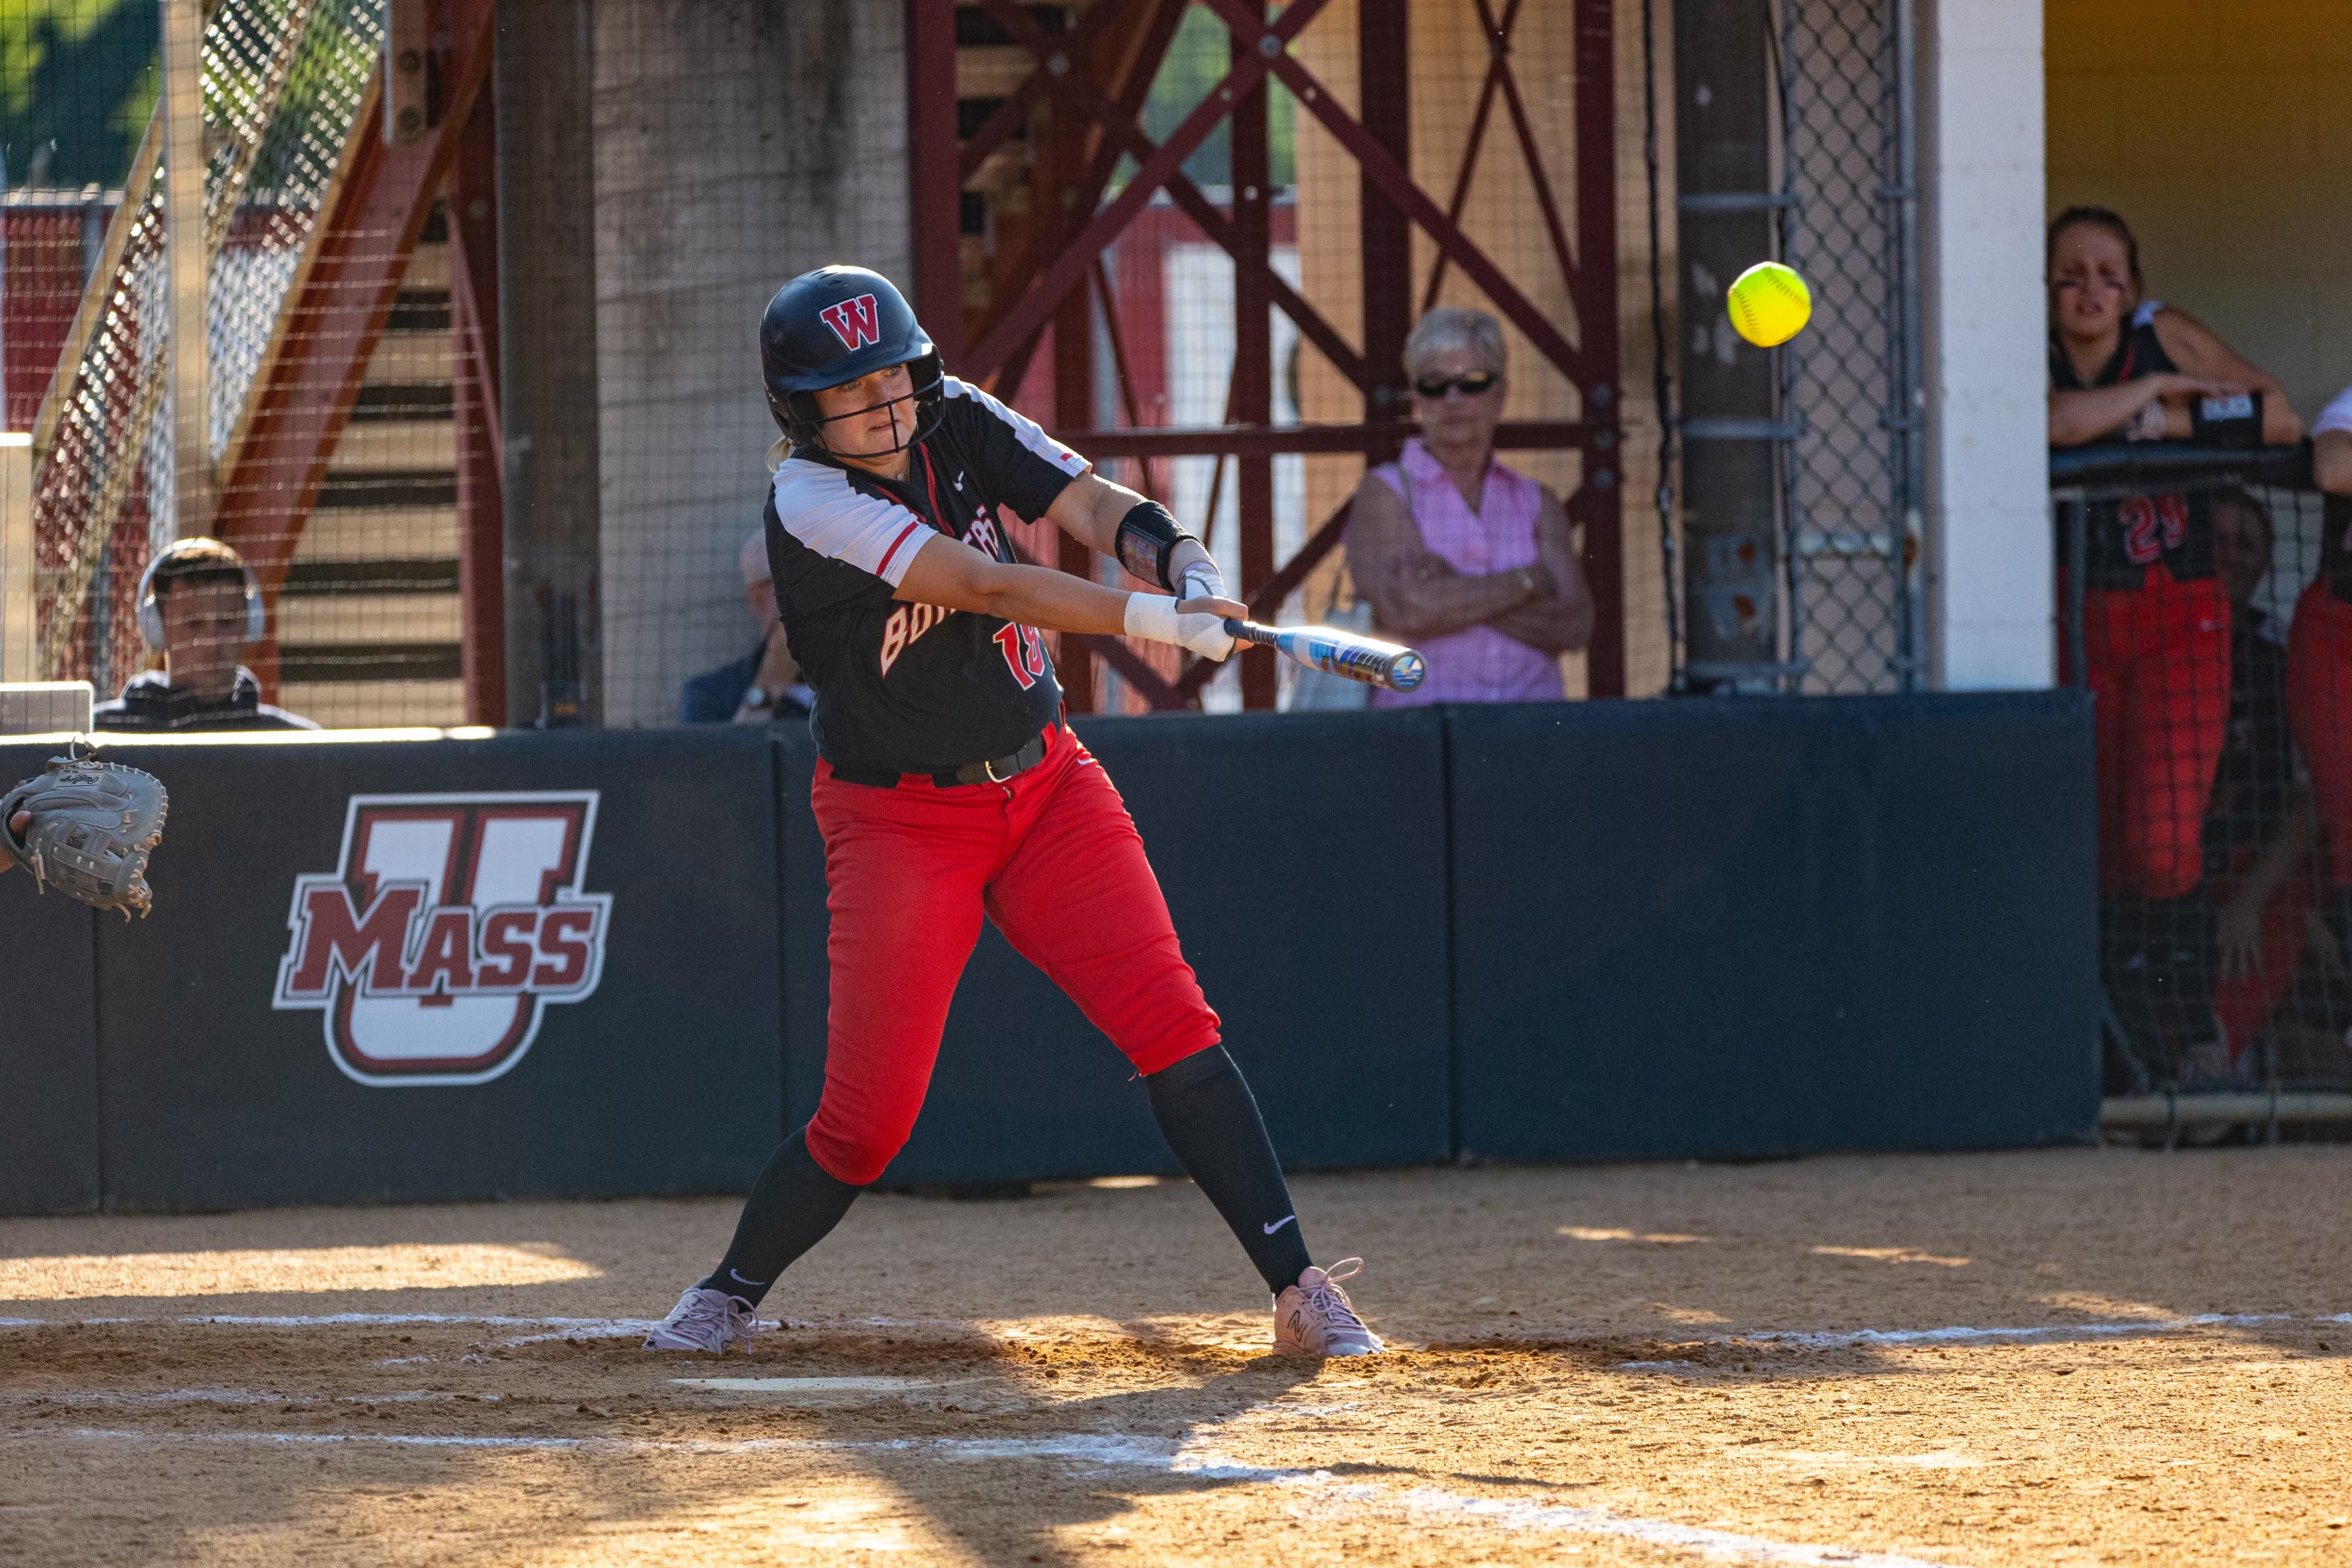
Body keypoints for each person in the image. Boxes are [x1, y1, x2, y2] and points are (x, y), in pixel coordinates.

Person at [640, 266, 1381, 1359]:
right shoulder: (810, 501)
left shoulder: (957, 419)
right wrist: (1167, 628)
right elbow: (988, 585)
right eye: (851, 391)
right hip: (898, 821)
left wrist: (1184, 560)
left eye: (893, 376)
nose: (886, 405)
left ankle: (1298, 1286)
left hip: (1046, 787)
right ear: (803, 411)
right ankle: (727, 1291)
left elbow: (1088, 503)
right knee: (867, 1120)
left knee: (1175, 1026)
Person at [2044, 207, 2300, 1069]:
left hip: (2178, 616)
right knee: (2099, 847)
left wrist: (2159, 411)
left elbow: (2277, 419)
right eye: (2070, 272)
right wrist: (2150, 401)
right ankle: (2117, 1043)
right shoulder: (2025, 347)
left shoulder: (2166, 335)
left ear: (2134, 289)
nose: (2090, 289)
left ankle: (2189, 1018)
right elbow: (2055, 423)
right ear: (2045, 287)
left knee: (2161, 841)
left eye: (2108, 273)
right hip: (2078, 616)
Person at [1341, 306, 1592, 705]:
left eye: (1472, 382)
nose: (1453, 400)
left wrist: (1452, 589)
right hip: (1424, 739)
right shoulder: (1384, 493)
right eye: (1434, 385)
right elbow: (1410, 613)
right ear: (1416, 399)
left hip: (1530, 738)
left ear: (1502, 394)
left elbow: (1575, 626)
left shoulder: (1536, 501)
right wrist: (1527, 582)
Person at [2200, 487, 2313, 1081]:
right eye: (2216, 538)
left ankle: (2217, 1064)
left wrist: (2248, 899)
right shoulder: (2161, 642)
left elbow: (2310, 794)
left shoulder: (2282, 651)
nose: (2230, 555)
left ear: (2268, 558)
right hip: (2172, 879)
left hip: (2257, 872)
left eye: (2246, 543)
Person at [92, 537, 315, 732]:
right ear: (157, 627)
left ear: (249, 624)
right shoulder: (95, 738)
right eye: (194, 624)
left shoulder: (299, 745)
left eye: (227, 622)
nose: (213, 643)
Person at [681, 530, 812, 723]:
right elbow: (722, 754)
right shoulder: (711, 697)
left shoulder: (863, 683)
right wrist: (770, 683)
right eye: (798, 585)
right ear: (758, 601)